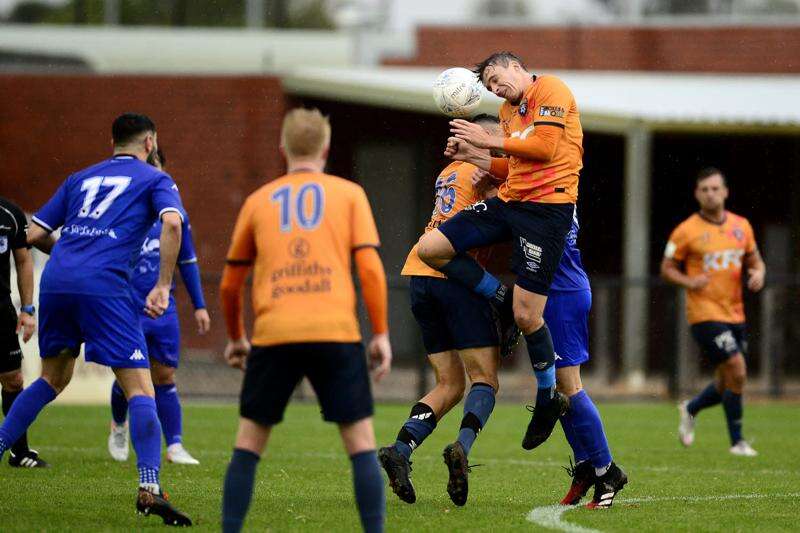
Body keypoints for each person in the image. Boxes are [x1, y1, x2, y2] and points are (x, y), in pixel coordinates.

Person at [0, 113, 192, 525]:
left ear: (112, 141)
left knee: (51, 380)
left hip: (58, 281)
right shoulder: (155, 178)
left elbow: (31, 233)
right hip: (105, 286)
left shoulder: (80, 178)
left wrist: (73, 258)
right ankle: (149, 488)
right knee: (141, 389)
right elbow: (173, 224)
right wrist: (161, 285)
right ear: (150, 142)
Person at [219, 108, 392, 533]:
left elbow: (229, 284)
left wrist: (238, 337)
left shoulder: (258, 200)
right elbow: (370, 271)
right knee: (360, 443)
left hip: (275, 332)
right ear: (326, 149)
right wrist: (382, 334)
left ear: (283, 149)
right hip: (335, 330)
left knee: (249, 442)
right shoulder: (350, 195)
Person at [419, 51, 582, 450]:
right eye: (489, 85)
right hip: (510, 202)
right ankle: (499, 296)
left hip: (546, 212)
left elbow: (543, 148)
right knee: (431, 248)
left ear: (515, 66)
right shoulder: (509, 112)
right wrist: (474, 156)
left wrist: (485, 141)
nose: (494, 87)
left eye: (496, 77)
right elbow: (514, 168)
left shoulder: (551, 89)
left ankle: (547, 398)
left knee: (528, 316)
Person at [379, 115, 502, 508]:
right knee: (485, 380)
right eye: (498, 137)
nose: (506, 143)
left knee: (449, 384)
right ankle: (462, 448)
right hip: (454, 276)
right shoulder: (488, 174)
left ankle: (400, 449)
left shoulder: (451, 170)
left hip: (419, 275)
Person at [108, 148, 210, 466]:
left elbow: (188, 260)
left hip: (163, 308)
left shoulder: (175, 215)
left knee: (164, 373)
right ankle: (119, 426)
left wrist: (200, 306)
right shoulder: (125, 212)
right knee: (131, 371)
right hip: (129, 307)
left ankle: (175, 445)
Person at [661, 167, 765, 457]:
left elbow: (756, 261)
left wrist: (759, 274)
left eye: (715, 188)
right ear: (697, 194)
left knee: (726, 381)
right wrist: (689, 281)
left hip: (735, 312)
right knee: (738, 369)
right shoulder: (686, 231)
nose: (710, 193)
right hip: (704, 313)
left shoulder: (741, 226)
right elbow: (667, 268)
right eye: (704, 189)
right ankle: (738, 442)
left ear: (725, 191)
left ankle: (691, 408)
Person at [545, 207, 627, 508]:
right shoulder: (538, 182)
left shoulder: (549, 186)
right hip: (549, 293)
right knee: (557, 390)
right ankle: (586, 468)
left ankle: (608, 471)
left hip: (562, 293)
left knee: (569, 385)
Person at [0, 196, 48, 467]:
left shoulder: (10, 214)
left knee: (14, 379)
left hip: (1, 310)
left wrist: (28, 309)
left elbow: (23, 261)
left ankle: (19, 452)